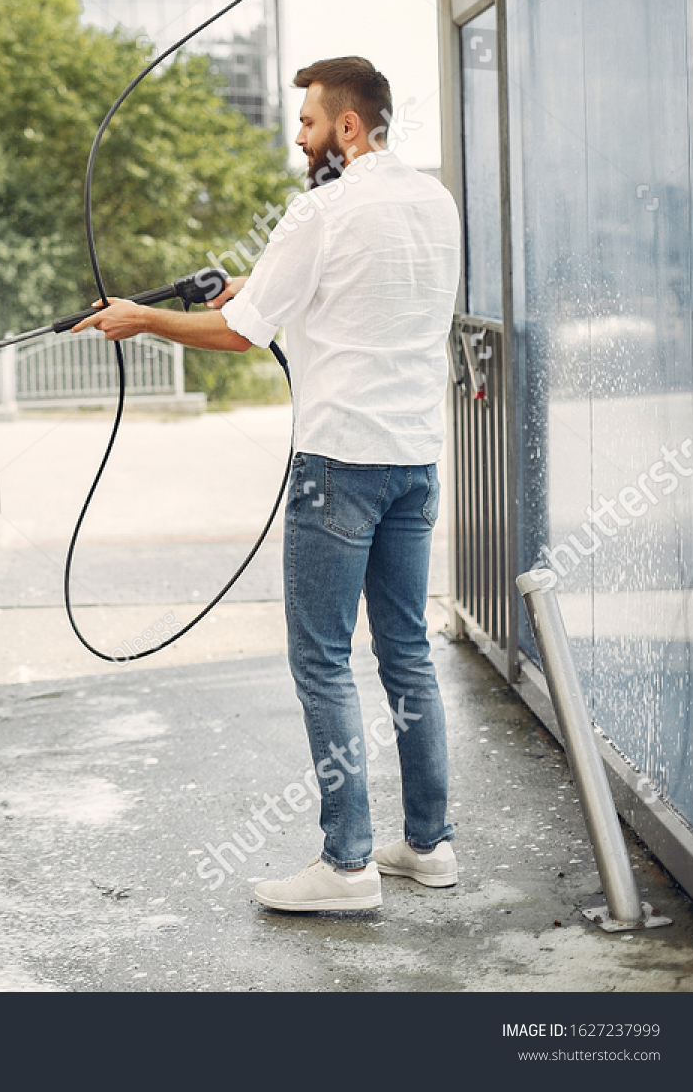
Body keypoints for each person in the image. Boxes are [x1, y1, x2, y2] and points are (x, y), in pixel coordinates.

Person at [73, 57, 463, 912]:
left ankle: (348, 866)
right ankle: (429, 845)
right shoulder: (436, 203)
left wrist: (141, 319)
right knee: (406, 649)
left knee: (322, 658)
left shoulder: (322, 209)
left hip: (339, 464)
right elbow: (359, 291)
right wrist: (254, 284)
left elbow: (240, 334)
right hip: (414, 461)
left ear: (348, 126)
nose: (299, 137)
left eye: (309, 123)